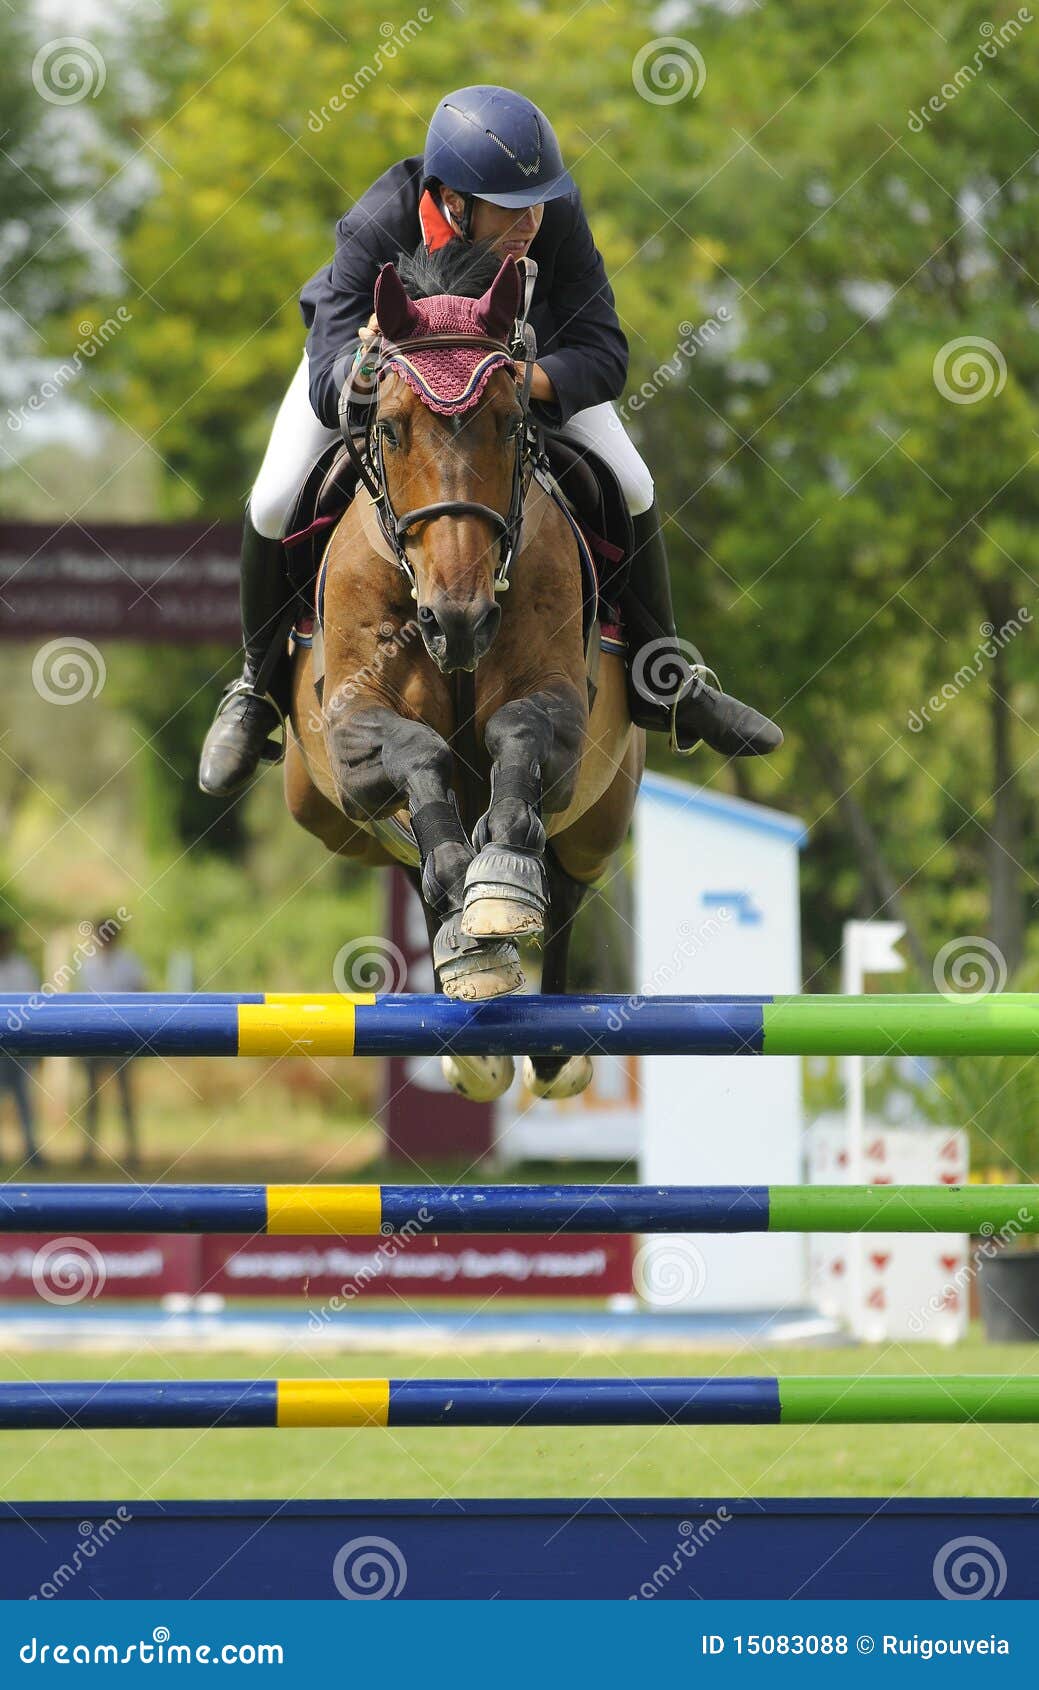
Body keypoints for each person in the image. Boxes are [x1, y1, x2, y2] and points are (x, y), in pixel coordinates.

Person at [199, 84, 782, 797]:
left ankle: (666, 676)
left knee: (631, 482)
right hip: (393, 396)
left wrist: (520, 379)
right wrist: (376, 372)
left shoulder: (554, 219)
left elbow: (604, 352)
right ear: (453, 201)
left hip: (511, 389)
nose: (531, 219)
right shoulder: (377, 224)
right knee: (272, 497)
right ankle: (255, 691)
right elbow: (327, 375)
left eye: (539, 199)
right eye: (511, 205)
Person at [78, 919, 146, 1167]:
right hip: (94, 1038)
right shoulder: (88, 964)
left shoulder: (128, 961)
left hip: (123, 1037)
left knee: (125, 1098)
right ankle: (88, 1151)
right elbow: (82, 1002)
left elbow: (141, 991)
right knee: (91, 1099)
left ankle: (131, 1150)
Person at [0, 923, 43, 1165]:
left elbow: (35, 1002)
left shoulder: (22, 968)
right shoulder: (24, 967)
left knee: (25, 1099)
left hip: (21, 1045)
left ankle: (30, 1148)